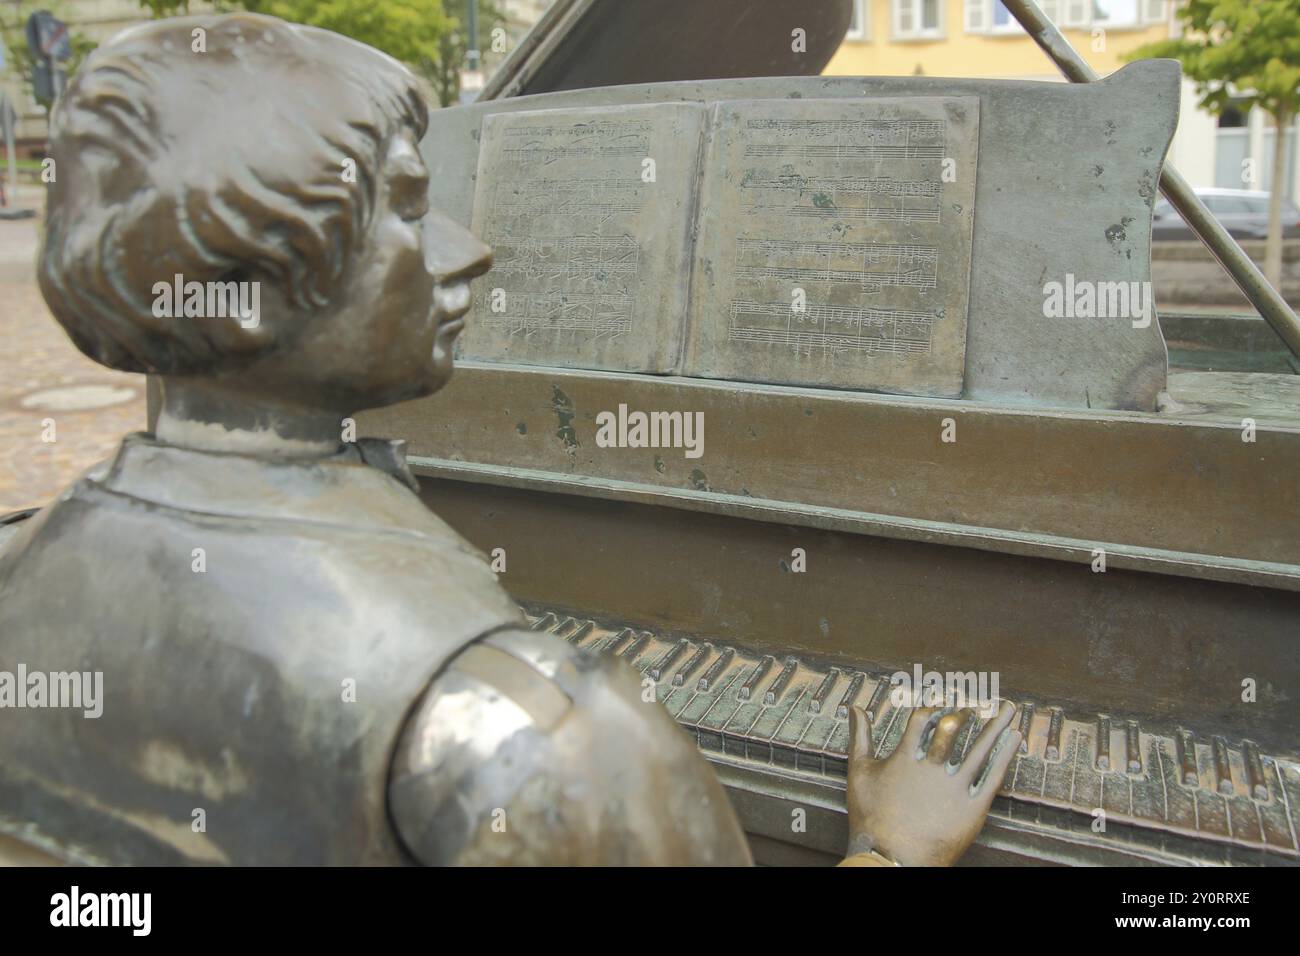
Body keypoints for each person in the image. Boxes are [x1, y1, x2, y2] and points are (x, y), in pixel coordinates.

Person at [0, 13, 1019, 866]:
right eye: (407, 207)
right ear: (251, 283)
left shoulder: (17, 567)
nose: (469, 247)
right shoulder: (537, 742)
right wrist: (890, 848)